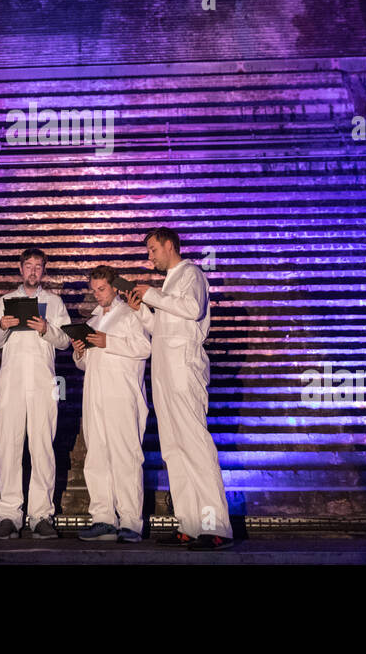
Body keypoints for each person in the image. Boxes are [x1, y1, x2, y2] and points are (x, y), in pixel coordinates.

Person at [130, 228, 234, 550]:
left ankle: (214, 526)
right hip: (163, 373)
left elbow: (192, 309)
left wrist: (151, 295)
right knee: (174, 450)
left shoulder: (192, 274)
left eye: (153, 249)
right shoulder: (168, 283)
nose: (150, 257)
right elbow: (161, 327)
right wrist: (141, 310)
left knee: (194, 445)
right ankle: (190, 524)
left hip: (184, 371)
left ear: (170, 245)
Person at [0, 248, 71, 539]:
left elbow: (65, 342)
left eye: (38, 267)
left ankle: (40, 514)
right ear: (20, 269)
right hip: (11, 383)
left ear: (43, 270)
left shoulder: (54, 302)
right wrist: (2, 325)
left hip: (43, 383)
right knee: (9, 446)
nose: (33, 271)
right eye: (28, 266)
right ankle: (9, 513)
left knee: (42, 447)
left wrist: (48, 328)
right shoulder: (6, 301)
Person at [74, 266, 151, 543]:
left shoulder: (130, 314)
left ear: (115, 287)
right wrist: (80, 353)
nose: (97, 295)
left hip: (122, 395)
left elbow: (145, 348)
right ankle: (104, 518)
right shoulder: (93, 319)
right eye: (94, 290)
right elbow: (85, 364)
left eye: (102, 289)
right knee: (96, 457)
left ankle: (131, 521)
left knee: (125, 456)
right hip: (95, 396)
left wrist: (109, 342)